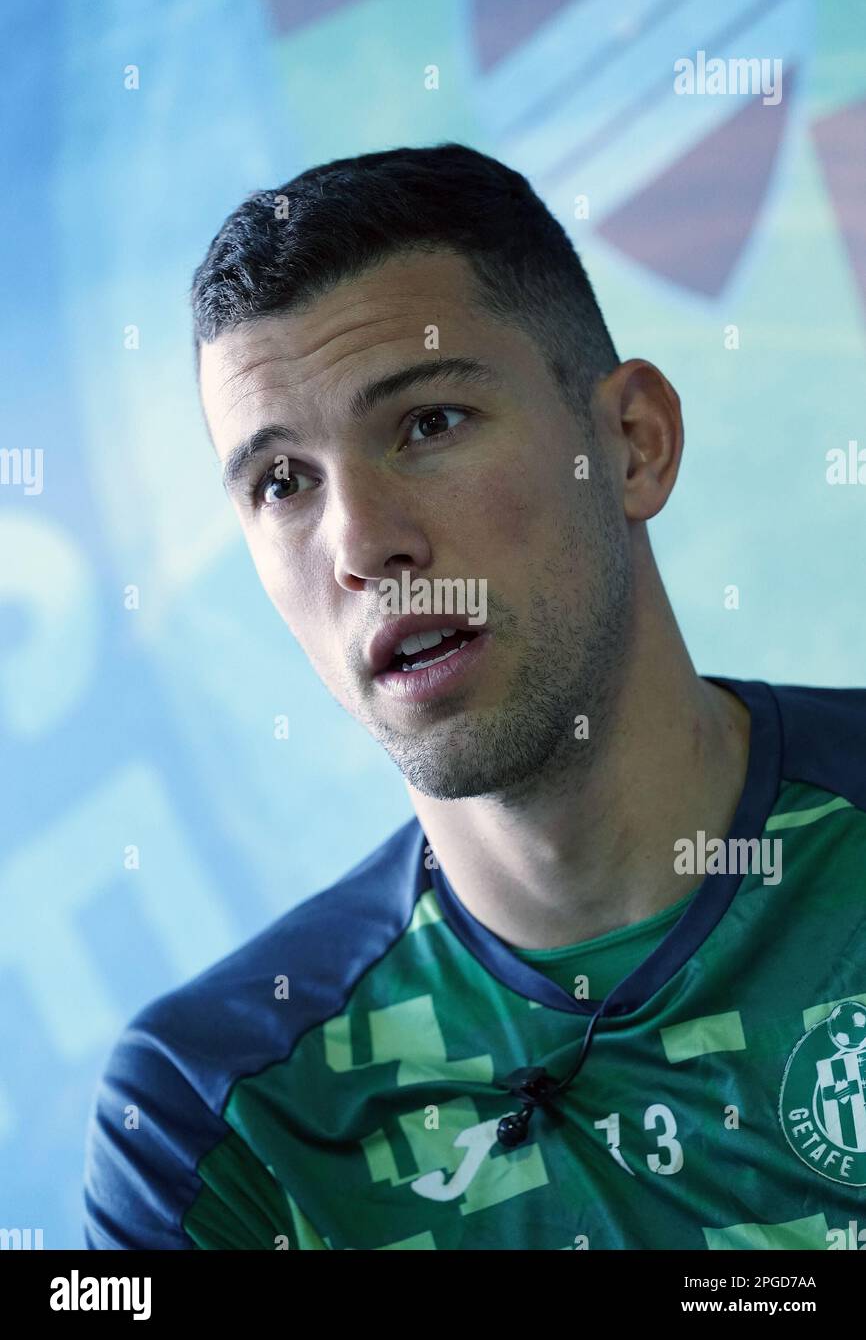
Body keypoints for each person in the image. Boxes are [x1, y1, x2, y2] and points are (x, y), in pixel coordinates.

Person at [83, 143, 866, 1251]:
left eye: (428, 423)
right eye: (281, 482)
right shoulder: (221, 1113)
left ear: (631, 444)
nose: (360, 543)